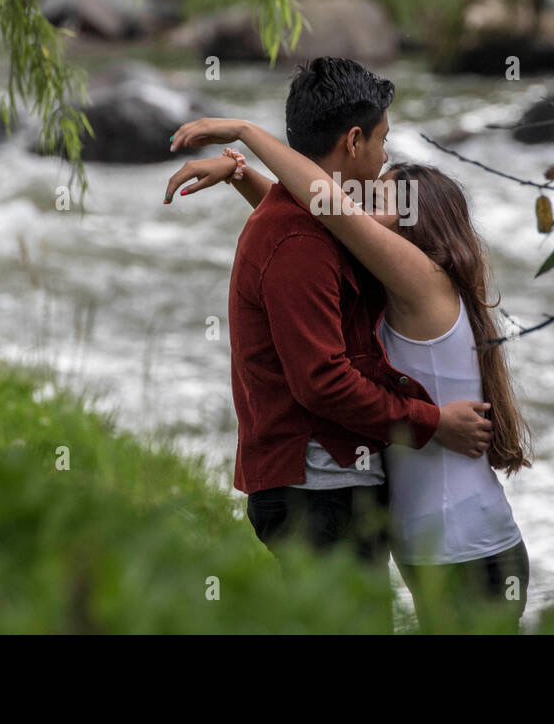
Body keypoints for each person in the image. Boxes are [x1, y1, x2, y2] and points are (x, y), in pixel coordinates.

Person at [166, 59, 534, 632]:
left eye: (388, 205)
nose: (383, 158)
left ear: (415, 231)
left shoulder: (421, 285)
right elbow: (311, 237)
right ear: (354, 140)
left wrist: (246, 135)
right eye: (382, 141)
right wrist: (244, 170)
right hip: (332, 496)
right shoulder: (327, 243)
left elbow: (319, 224)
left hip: (457, 543)